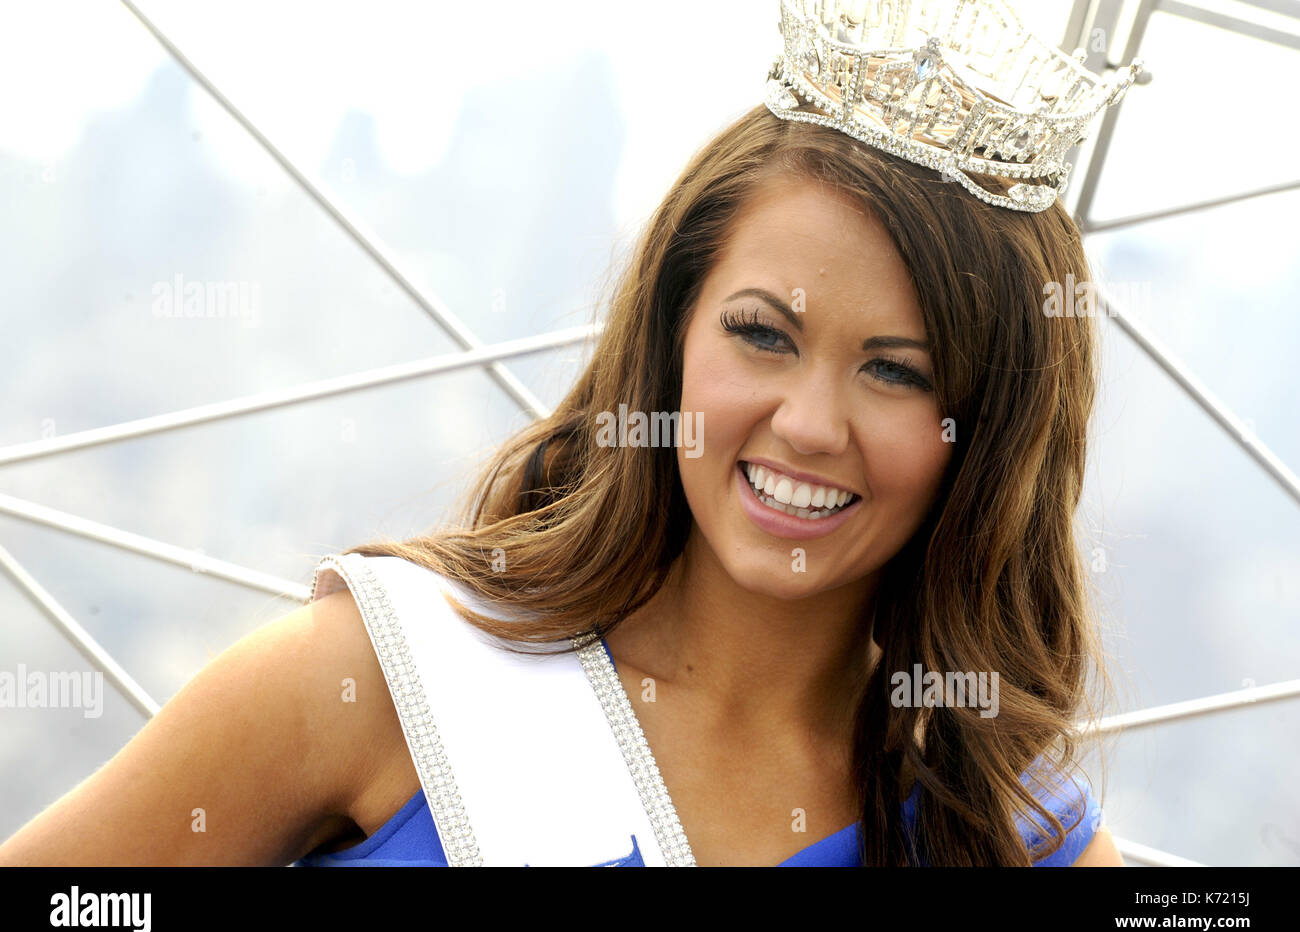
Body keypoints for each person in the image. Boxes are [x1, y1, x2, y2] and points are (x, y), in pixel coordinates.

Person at [0, 2, 1129, 867]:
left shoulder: (1013, 837)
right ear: (672, 331)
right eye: (761, 334)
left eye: (894, 371)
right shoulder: (374, 678)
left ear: (980, 431)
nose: (805, 422)